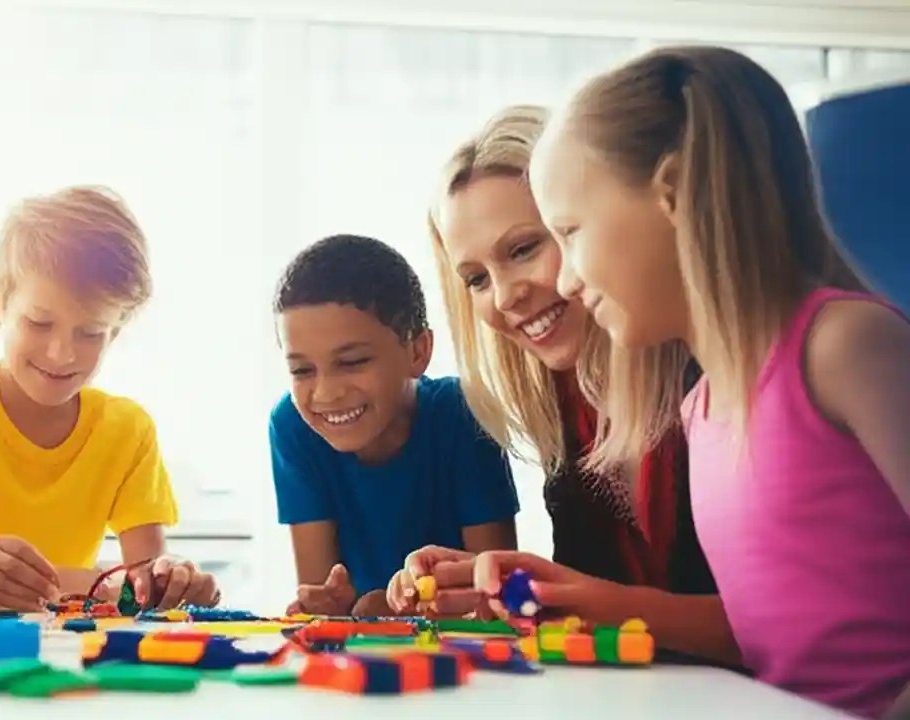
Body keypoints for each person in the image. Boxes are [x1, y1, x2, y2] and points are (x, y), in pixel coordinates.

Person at [517, 46, 910, 719]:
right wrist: (587, 600)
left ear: (672, 193)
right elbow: (779, 627)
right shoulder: (700, 409)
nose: (564, 280)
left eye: (571, 231)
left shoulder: (844, 347)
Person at [387, 106, 717, 629]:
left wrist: (580, 598)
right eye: (475, 279)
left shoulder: (714, 372)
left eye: (523, 248)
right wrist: (508, 591)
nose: (506, 294)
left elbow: (779, 623)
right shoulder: (566, 403)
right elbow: (606, 604)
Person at [0, 186, 219, 611]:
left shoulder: (128, 430)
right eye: (39, 323)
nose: (62, 354)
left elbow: (140, 593)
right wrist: (93, 582)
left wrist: (175, 584)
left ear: (116, 328)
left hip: (67, 647)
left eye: (91, 332)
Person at [270, 234, 518, 616]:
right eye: (302, 370)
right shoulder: (292, 427)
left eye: (352, 362)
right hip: (362, 655)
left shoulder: (463, 413)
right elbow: (322, 602)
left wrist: (377, 606)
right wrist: (331, 605)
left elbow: (494, 596)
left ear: (417, 352)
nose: (326, 393)